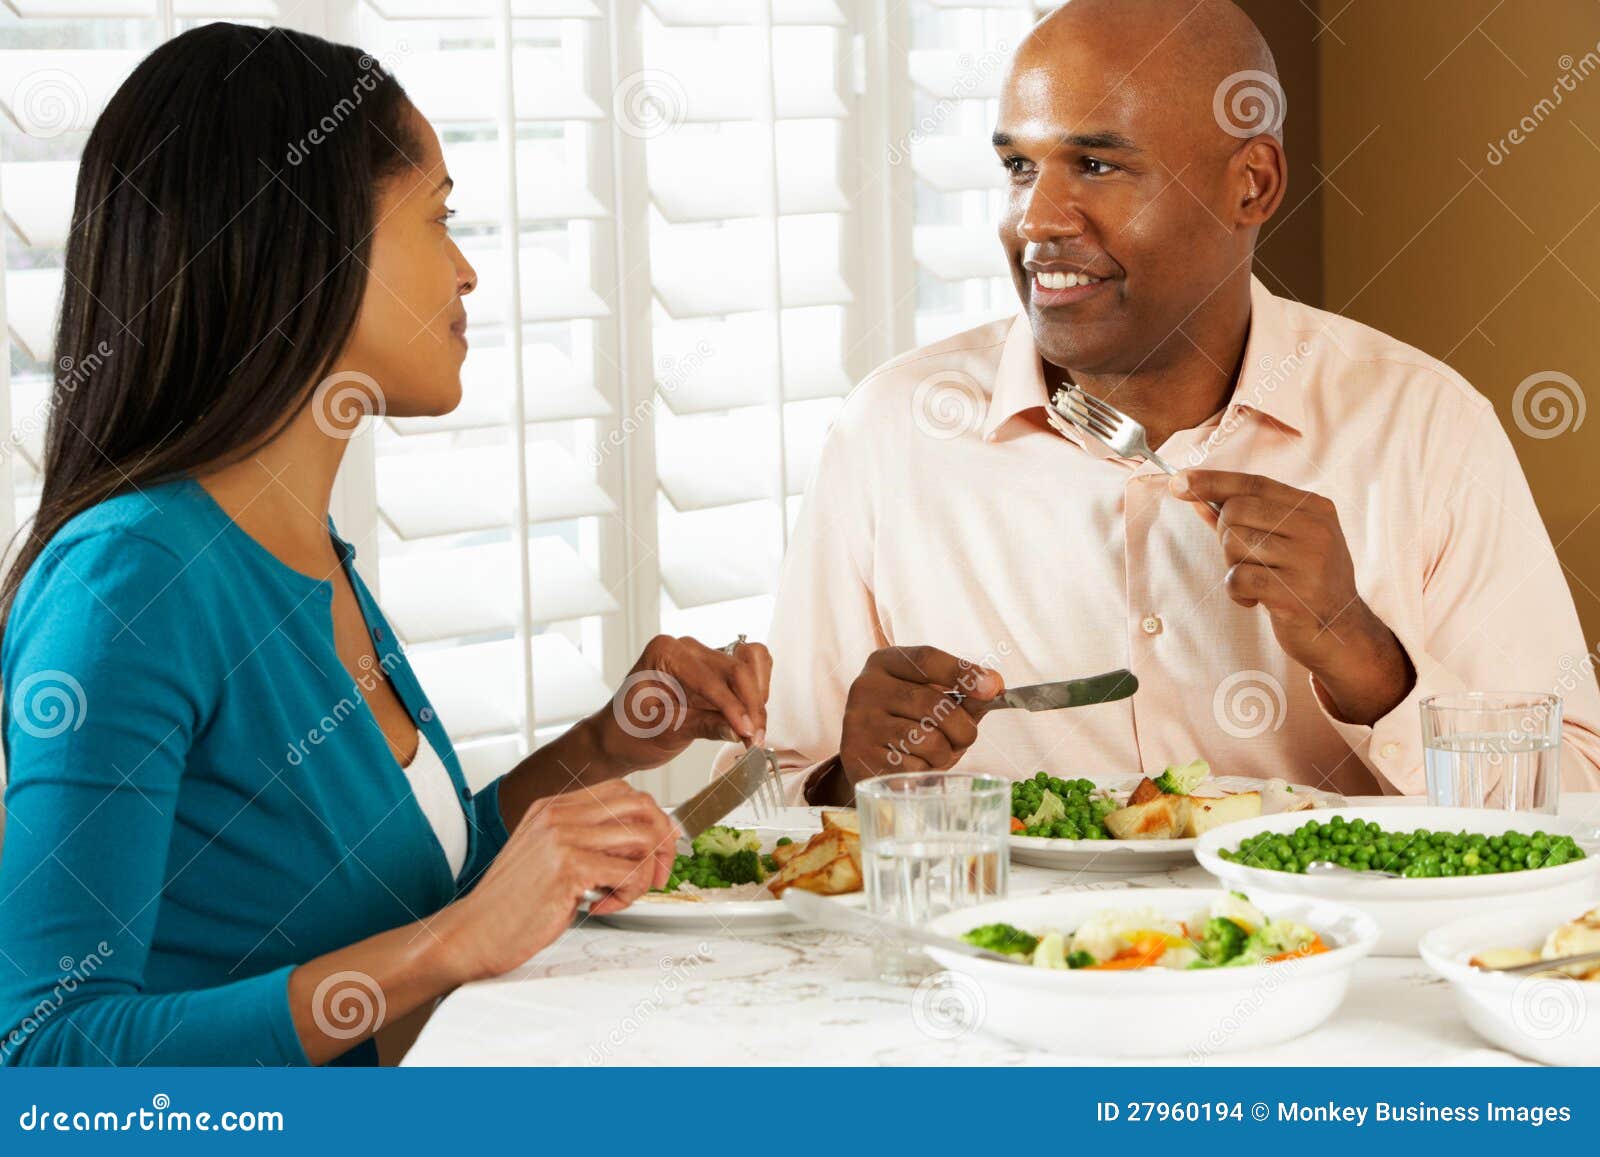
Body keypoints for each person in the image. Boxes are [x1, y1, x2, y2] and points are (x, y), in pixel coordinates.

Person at [0, 23, 771, 1067]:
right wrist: (457, 941)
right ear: (307, 241)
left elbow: (409, 896)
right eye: (438, 217)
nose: (465, 273)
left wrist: (606, 744)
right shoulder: (130, 580)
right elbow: (45, 1057)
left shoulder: (304, 548)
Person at [737, 0, 1600, 805]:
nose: (1034, 219)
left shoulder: (1422, 427)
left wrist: (1369, 663)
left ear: (1252, 186)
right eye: (1018, 168)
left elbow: (1579, 795)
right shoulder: (892, 430)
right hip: (996, 965)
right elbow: (766, 799)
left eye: (1099, 164)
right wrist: (849, 778)